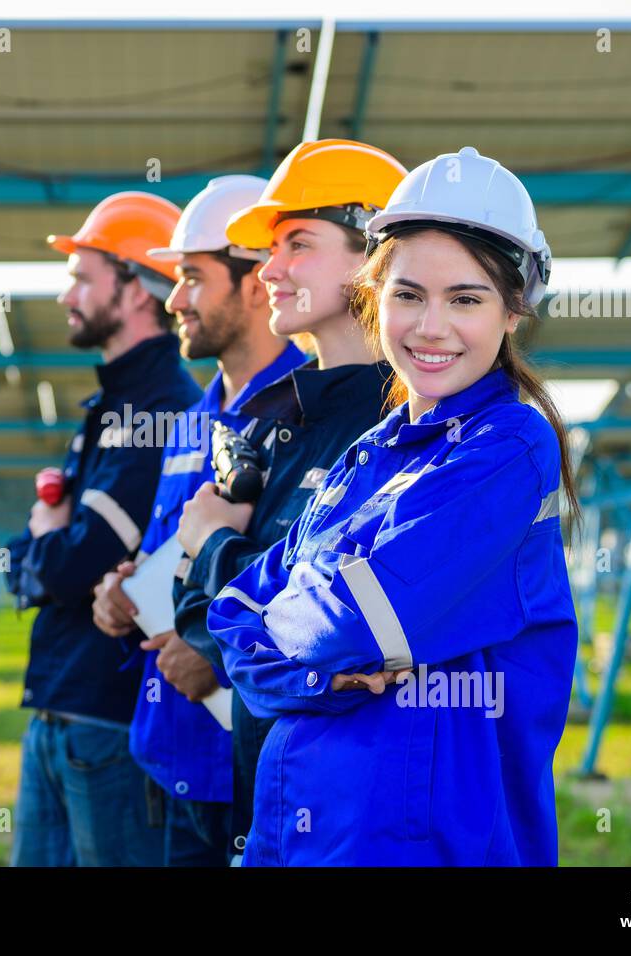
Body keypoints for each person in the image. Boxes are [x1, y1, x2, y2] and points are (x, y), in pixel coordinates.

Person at [207, 146, 581, 866]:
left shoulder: (509, 448)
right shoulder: (368, 454)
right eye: (408, 295)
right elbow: (232, 621)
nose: (430, 326)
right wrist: (313, 662)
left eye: (465, 299)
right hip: (297, 832)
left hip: (426, 843)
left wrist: (302, 625)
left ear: (514, 310)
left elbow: (362, 619)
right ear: (376, 295)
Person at [168, 139, 408, 865]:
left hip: (355, 819)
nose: (269, 271)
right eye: (270, 251)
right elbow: (204, 623)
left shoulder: (407, 427)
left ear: (374, 256)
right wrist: (238, 581)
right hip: (268, 805)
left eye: (297, 245)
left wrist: (215, 547)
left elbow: (342, 633)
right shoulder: (275, 420)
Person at [89, 175, 307, 866]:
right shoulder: (189, 424)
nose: (174, 299)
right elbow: (175, 565)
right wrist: (128, 595)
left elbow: (313, 584)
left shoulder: (315, 412)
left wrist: (211, 653)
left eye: (190, 277)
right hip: (168, 750)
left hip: (251, 762)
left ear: (254, 281)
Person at [3, 192, 202, 867]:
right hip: (62, 711)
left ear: (138, 289)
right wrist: (40, 550)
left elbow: (71, 562)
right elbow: (58, 556)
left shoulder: (164, 411)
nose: (67, 295)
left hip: (111, 719)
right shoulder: (114, 406)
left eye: (83, 277)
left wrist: (34, 552)